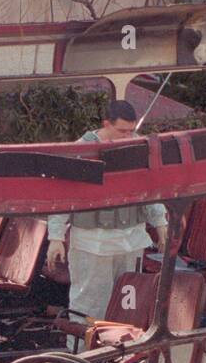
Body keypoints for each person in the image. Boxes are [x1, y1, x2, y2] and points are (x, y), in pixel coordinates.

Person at [46, 100, 168, 350]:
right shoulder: (80, 152)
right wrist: (56, 237)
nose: (129, 136)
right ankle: (81, 357)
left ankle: (124, 354)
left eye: (131, 131)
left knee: (129, 303)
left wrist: (161, 224)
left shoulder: (137, 148)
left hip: (131, 240)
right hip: (93, 243)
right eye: (122, 131)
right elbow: (61, 197)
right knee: (90, 304)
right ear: (106, 125)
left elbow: (150, 188)